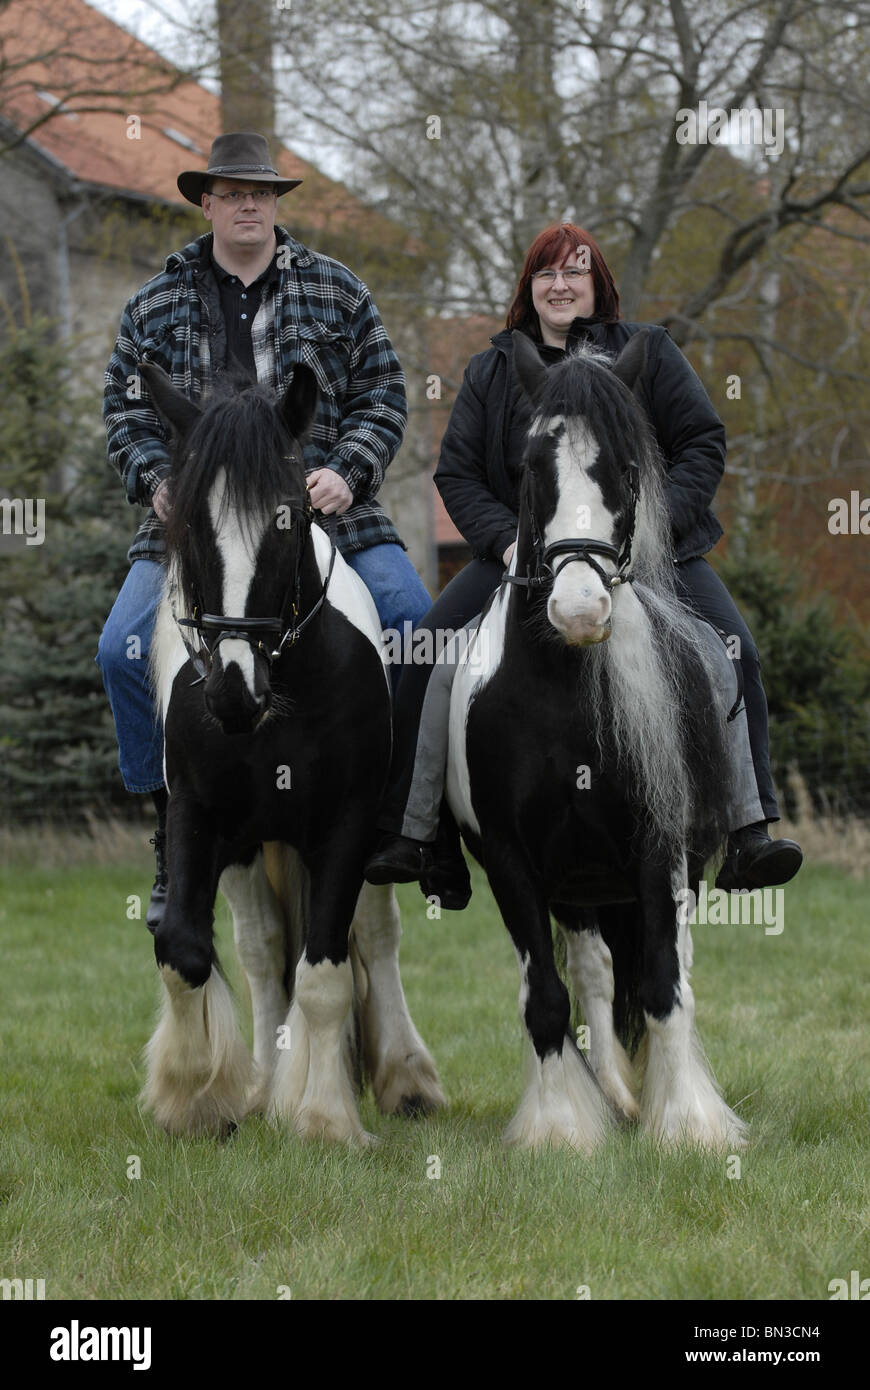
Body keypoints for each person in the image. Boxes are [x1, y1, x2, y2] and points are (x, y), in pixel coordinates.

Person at [365, 221, 802, 895]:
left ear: (597, 286)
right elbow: (456, 477)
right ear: (528, 289)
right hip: (527, 555)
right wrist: (509, 540)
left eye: (575, 271)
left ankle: (749, 831)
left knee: (733, 649)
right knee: (428, 651)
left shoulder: (649, 353)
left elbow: (701, 443)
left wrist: (652, 529)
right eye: (546, 273)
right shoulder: (491, 369)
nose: (560, 284)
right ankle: (419, 835)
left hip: (650, 552)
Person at [97, 132, 430, 930]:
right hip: (204, 525)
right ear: (205, 202)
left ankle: (403, 823)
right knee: (122, 648)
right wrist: (158, 480)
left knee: (417, 623)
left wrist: (348, 469)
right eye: (233, 191)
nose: (249, 204)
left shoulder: (338, 290)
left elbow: (384, 392)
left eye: (263, 193)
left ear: (276, 204)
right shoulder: (154, 304)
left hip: (326, 510)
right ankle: (168, 829)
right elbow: (125, 411)